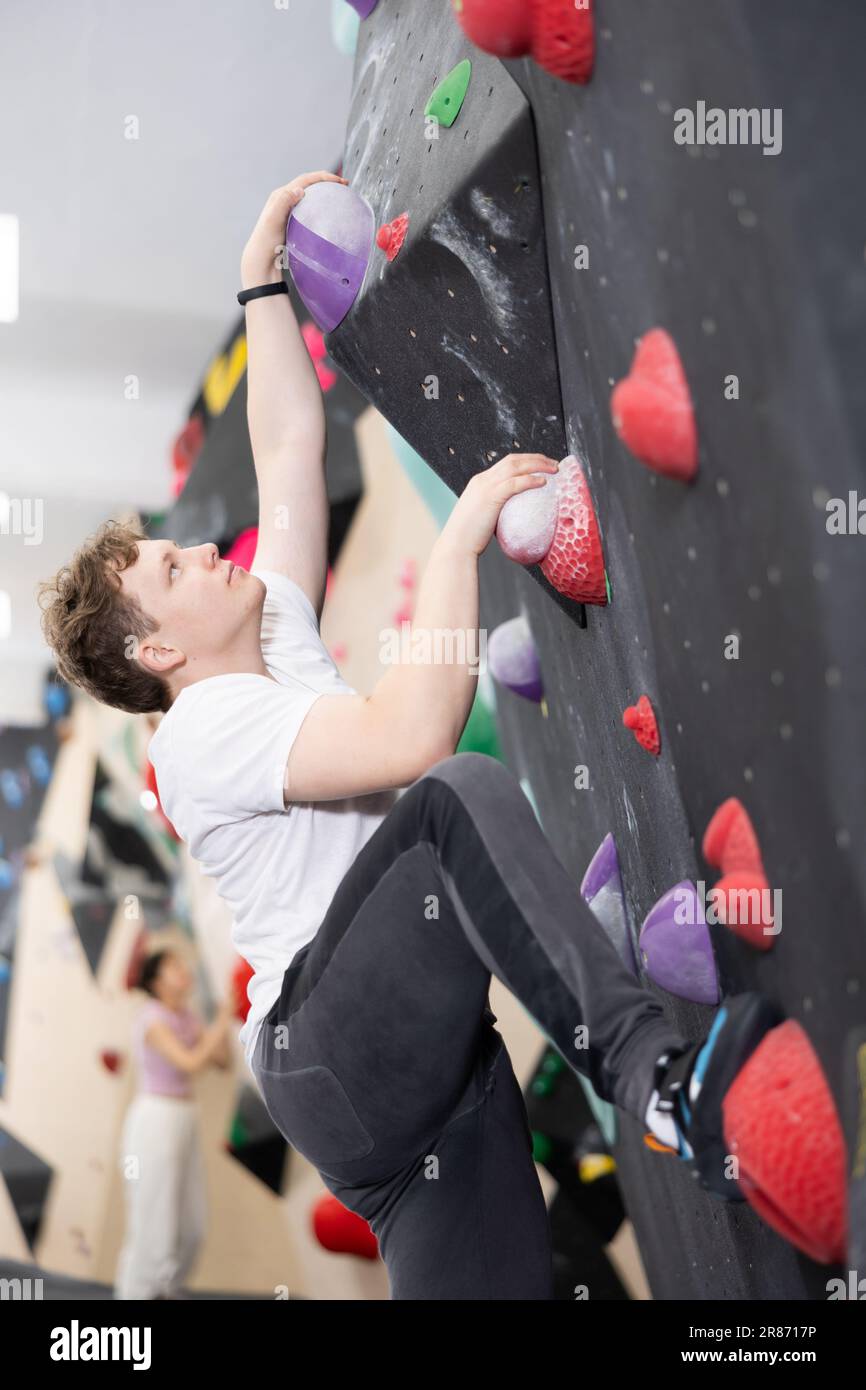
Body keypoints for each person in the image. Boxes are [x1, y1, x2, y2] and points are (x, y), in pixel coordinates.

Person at [39, 170, 785, 1299]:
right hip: (336, 1051)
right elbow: (415, 734)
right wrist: (460, 535)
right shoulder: (197, 734)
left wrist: (255, 281)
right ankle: (661, 1088)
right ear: (156, 653)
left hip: (415, 1066)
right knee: (449, 810)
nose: (201, 553)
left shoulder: (271, 625)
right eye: (172, 567)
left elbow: (289, 448)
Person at [114, 948, 232, 1300]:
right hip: (156, 1121)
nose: (183, 970)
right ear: (156, 983)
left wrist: (218, 1020)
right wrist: (224, 1017)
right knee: (154, 1217)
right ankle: (136, 1293)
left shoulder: (186, 1015)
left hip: (184, 1119)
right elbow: (191, 1063)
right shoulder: (152, 1020)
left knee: (191, 1222)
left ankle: (167, 1287)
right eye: (174, 967)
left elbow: (222, 1062)